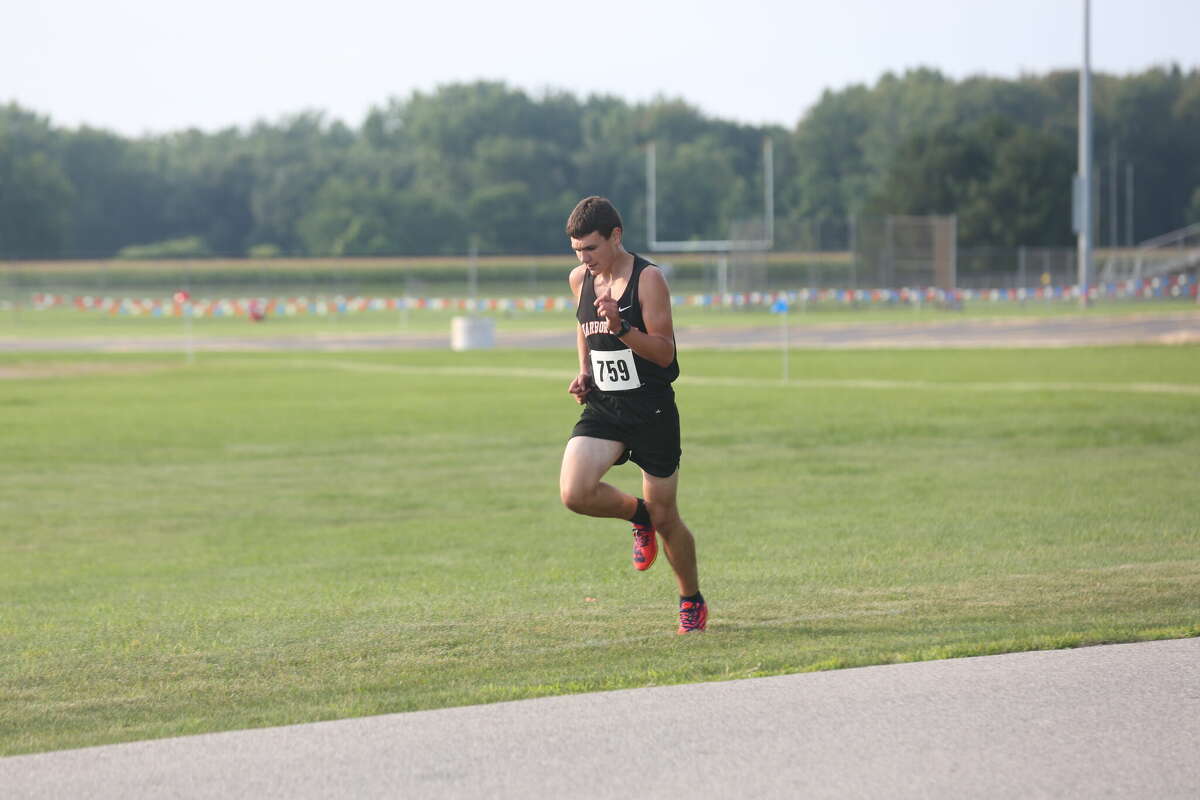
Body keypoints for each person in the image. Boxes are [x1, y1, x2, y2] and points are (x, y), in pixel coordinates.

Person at [558, 196, 707, 634]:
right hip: (605, 406)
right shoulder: (578, 279)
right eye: (577, 250)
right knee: (575, 492)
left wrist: (623, 329)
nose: (584, 259)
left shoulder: (649, 280)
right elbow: (584, 328)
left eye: (591, 249)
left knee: (668, 518)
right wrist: (585, 370)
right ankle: (636, 515)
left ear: (616, 237)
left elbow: (665, 355)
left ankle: (691, 600)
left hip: (651, 410)